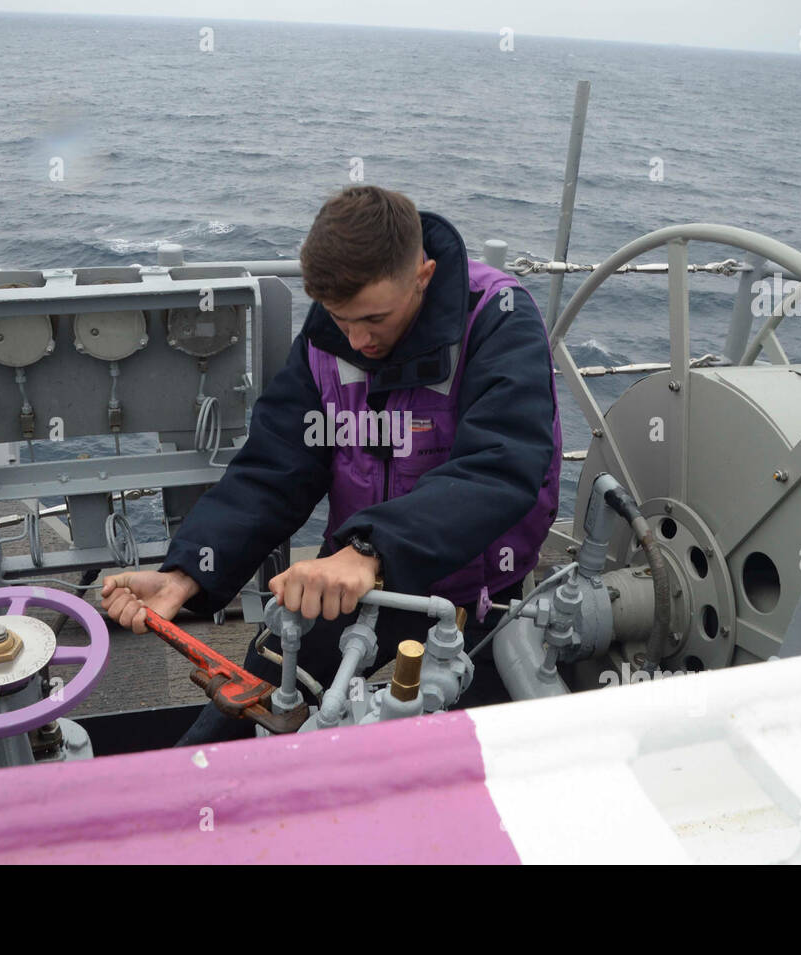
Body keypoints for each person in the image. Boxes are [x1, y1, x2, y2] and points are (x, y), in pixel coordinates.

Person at [100, 185, 561, 743]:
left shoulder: (497, 318)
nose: (357, 340)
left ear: (423, 274)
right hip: (352, 574)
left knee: (488, 766)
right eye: (341, 319)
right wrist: (187, 573)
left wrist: (374, 549)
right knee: (232, 734)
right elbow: (275, 467)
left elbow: (501, 466)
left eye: (374, 319)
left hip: (475, 591)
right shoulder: (330, 335)